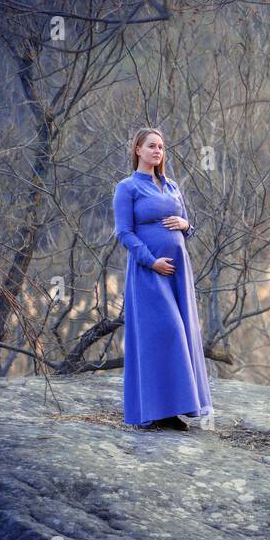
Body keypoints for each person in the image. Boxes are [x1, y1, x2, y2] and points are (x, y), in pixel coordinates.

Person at [112, 126, 212, 429]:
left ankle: (176, 409)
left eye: (161, 147)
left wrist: (185, 223)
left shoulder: (171, 186)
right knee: (164, 332)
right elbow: (124, 233)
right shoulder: (127, 187)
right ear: (138, 150)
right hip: (149, 272)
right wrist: (151, 261)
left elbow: (187, 229)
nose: (158, 151)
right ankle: (157, 410)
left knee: (182, 331)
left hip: (178, 271)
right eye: (152, 146)